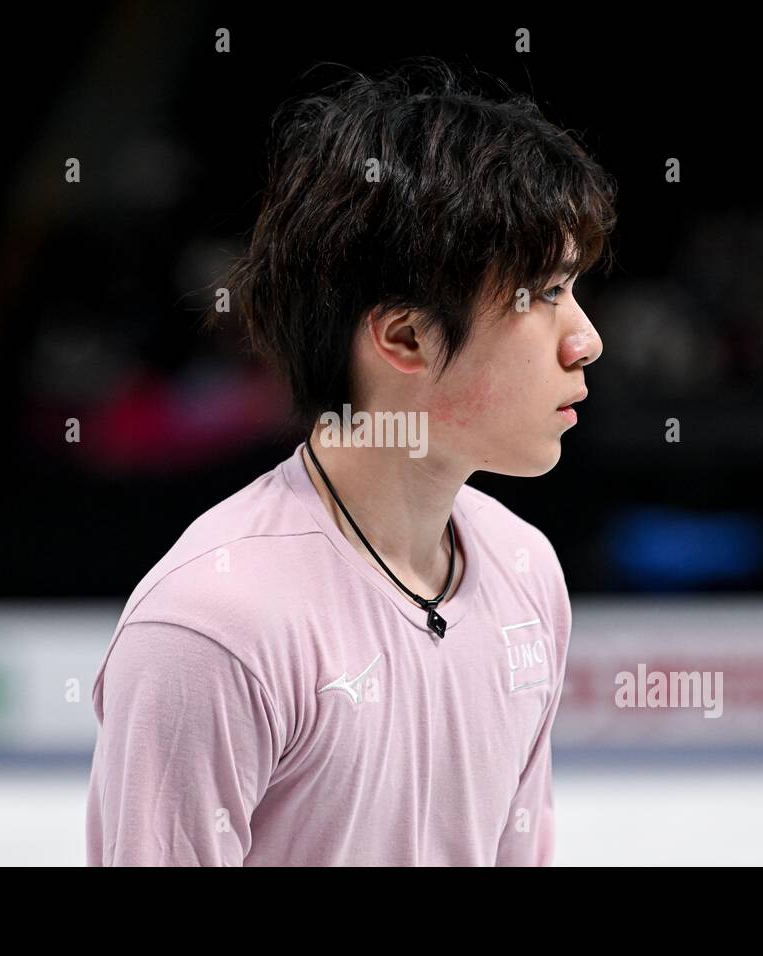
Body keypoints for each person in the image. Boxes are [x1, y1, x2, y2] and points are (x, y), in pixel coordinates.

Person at [86, 56, 615, 866]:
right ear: (404, 337)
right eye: (541, 295)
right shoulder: (211, 628)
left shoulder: (525, 571)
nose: (586, 340)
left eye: (573, 290)